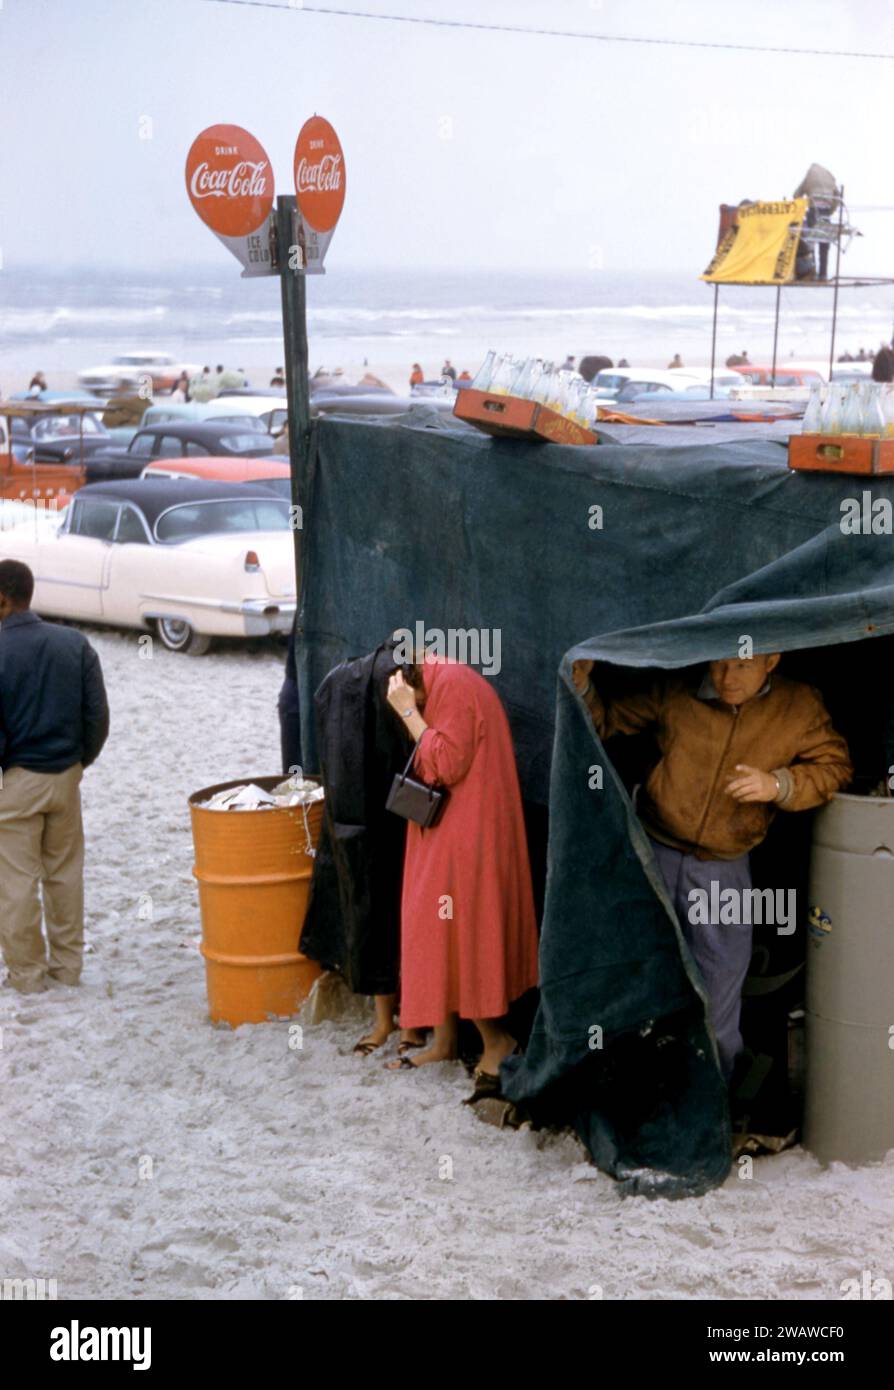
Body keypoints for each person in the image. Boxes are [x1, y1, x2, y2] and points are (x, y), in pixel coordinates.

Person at [572, 653, 851, 1081]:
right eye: (718, 665)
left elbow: (835, 767)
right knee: (639, 974)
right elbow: (604, 721)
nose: (726, 678)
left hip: (723, 866)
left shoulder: (798, 705)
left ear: (772, 660)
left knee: (719, 990)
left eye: (742, 666)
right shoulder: (677, 689)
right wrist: (586, 686)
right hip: (653, 852)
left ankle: (712, 1100)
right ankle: (636, 1091)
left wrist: (778, 784)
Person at [384, 656, 539, 1085]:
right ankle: (444, 1040)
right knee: (433, 928)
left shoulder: (449, 685)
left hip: (467, 830)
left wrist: (409, 713)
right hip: (449, 825)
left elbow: (448, 763)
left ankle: (497, 1042)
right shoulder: (441, 680)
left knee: (463, 933)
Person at [0, 561, 109, 994]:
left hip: (19, 777)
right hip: (67, 775)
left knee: (17, 881)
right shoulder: (75, 643)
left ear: (2, 600)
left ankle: (27, 976)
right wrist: (79, 762)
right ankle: (67, 968)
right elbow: (97, 717)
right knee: (65, 874)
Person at [793, 163, 840, 282]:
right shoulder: (830, 178)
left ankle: (811, 272)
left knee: (809, 242)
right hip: (826, 214)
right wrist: (830, 211)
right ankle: (823, 275)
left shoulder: (810, 177)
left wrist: (802, 207)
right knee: (824, 244)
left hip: (813, 211)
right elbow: (838, 197)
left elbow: (796, 195)